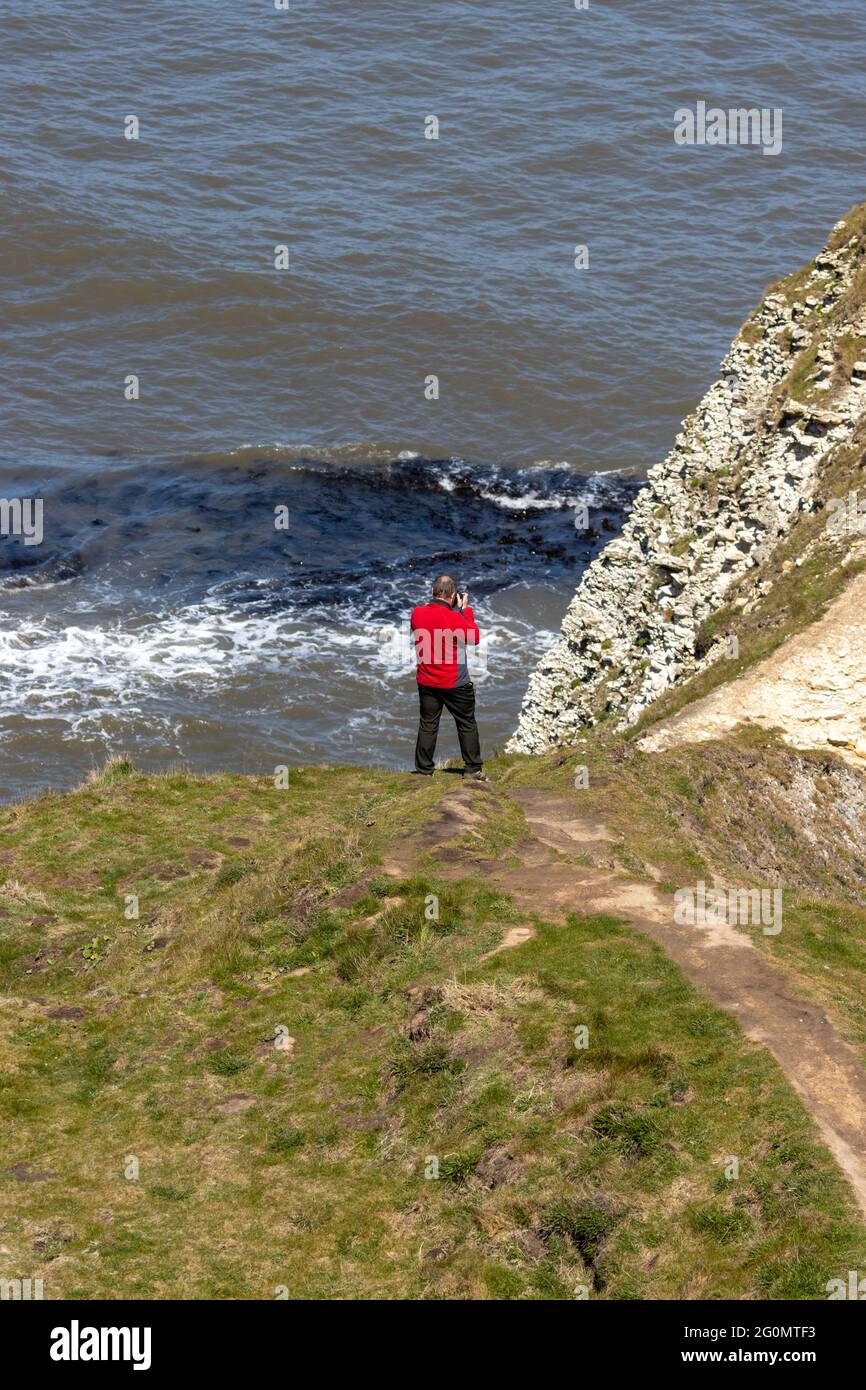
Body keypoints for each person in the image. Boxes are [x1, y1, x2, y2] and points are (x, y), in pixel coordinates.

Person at [410, 575, 487, 779]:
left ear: (433, 592)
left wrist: (456, 613)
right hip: (454, 683)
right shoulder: (456, 618)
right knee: (466, 723)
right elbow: (474, 638)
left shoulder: (417, 613)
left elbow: (433, 628)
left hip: (426, 680)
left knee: (428, 723)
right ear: (453, 595)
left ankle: (424, 770)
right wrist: (466, 611)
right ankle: (472, 769)